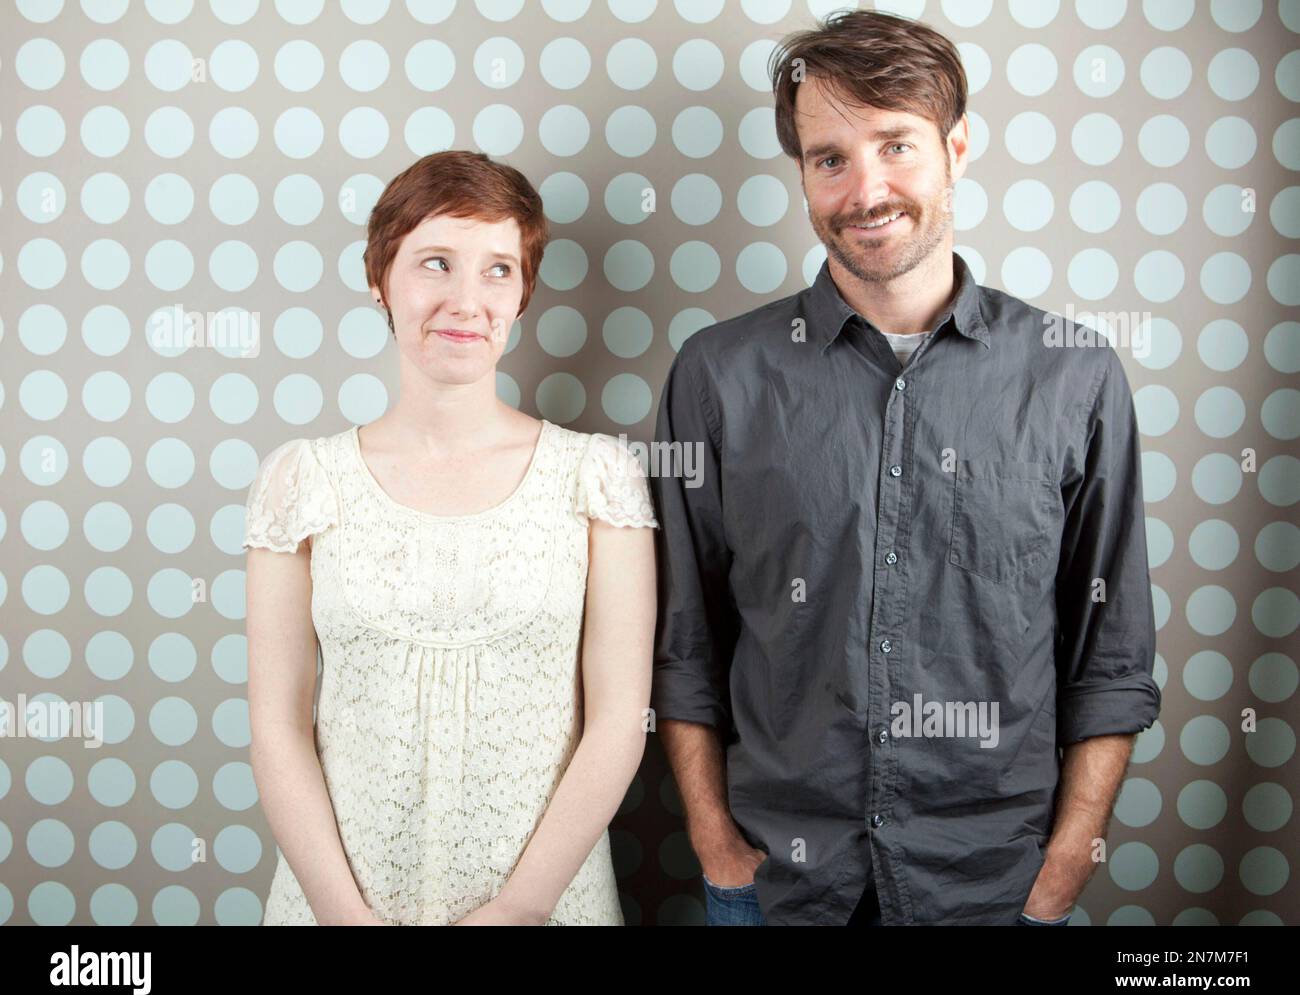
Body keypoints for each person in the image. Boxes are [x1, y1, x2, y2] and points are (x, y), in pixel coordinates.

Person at [650, 10, 1160, 926]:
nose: (865, 189)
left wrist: (1063, 868)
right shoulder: (717, 375)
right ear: (803, 173)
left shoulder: (1075, 374)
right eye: (829, 157)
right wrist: (715, 844)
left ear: (956, 147)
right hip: (777, 886)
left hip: (996, 889)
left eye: (897, 145)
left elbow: (1111, 654)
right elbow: (687, 638)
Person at [242, 150, 658, 925]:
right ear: (380, 279)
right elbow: (276, 727)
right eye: (437, 262)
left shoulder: (597, 480)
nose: (468, 300)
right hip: (339, 906)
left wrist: (520, 908)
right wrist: (342, 911)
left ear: (524, 293)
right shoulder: (300, 482)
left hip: (545, 906)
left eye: (498, 269)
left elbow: (616, 721)